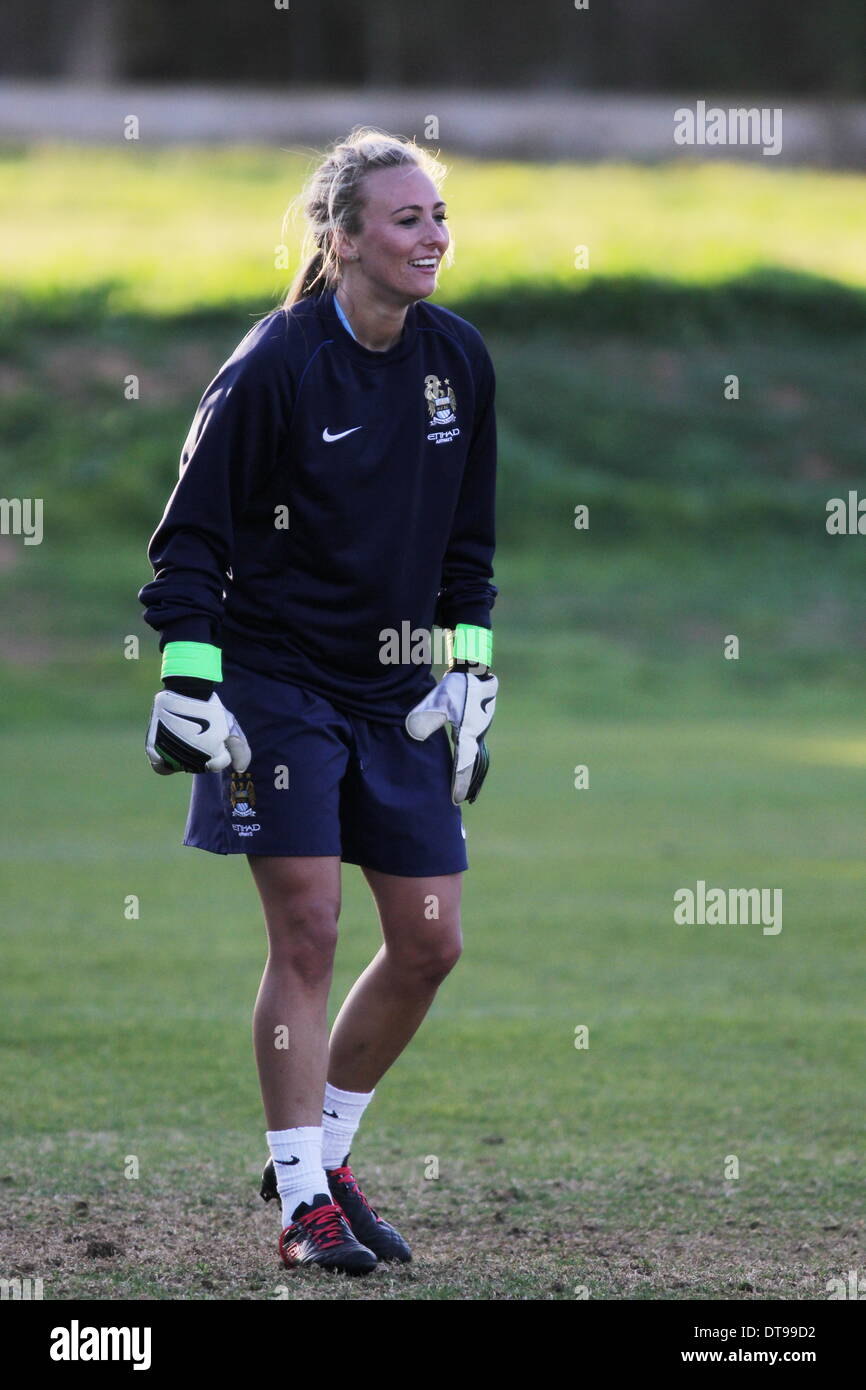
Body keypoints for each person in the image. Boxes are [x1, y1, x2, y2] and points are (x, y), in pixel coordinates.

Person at [138, 127, 499, 1276]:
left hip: (395, 683)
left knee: (431, 942)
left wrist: (472, 664)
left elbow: (469, 541)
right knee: (307, 927)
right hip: (275, 676)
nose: (431, 235)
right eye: (405, 219)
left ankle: (322, 1159)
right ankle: (303, 1203)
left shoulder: (458, 362)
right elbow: (188, 540)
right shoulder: (273, 365)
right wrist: (188, 674)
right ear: (339, 238)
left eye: (438, 215)